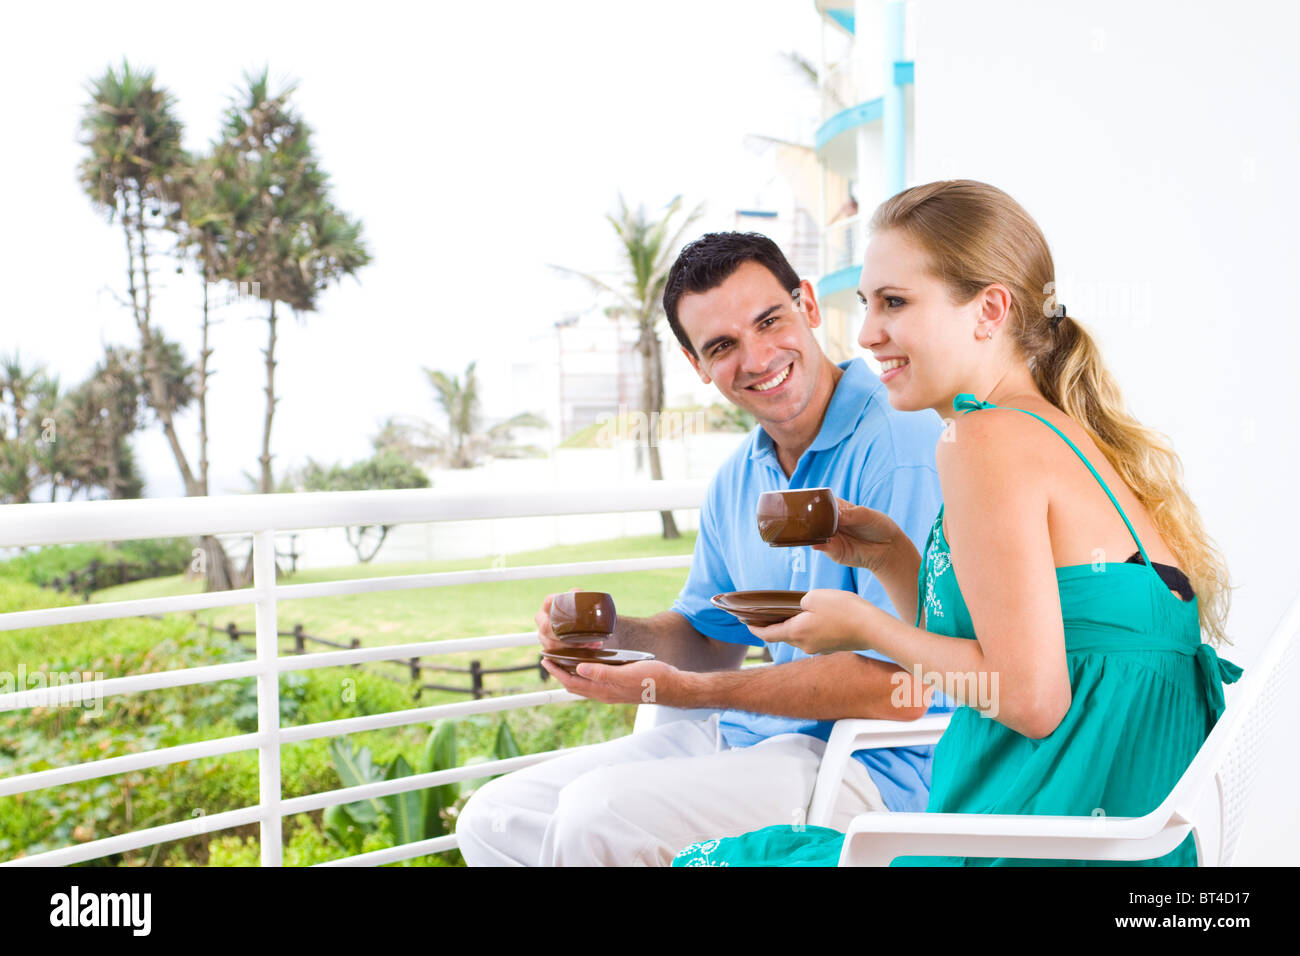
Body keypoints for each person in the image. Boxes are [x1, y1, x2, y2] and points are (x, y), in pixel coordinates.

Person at [672, 180, 1241, 867]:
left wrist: (863, 624)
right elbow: (992, 651)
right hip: (1119, 848)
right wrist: (887, 556)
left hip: (1034, 846)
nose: (866, 334)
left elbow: (1028, 700)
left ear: (989, 310)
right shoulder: (1054, 434)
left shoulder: (981, 442)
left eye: (895, 303)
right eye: (865, 304)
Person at [455, 232, 949, 866]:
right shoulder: (737, 478)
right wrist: (611, 636)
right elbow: (711, 638)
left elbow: (895, 687)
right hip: (754, 736)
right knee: (495, 819)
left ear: (808, 305)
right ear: (698, 365)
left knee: (594, 819)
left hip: (874, 759)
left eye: (769, 320)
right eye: (722, 346)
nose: (757, 357)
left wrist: (683, 693)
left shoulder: (899, 446)